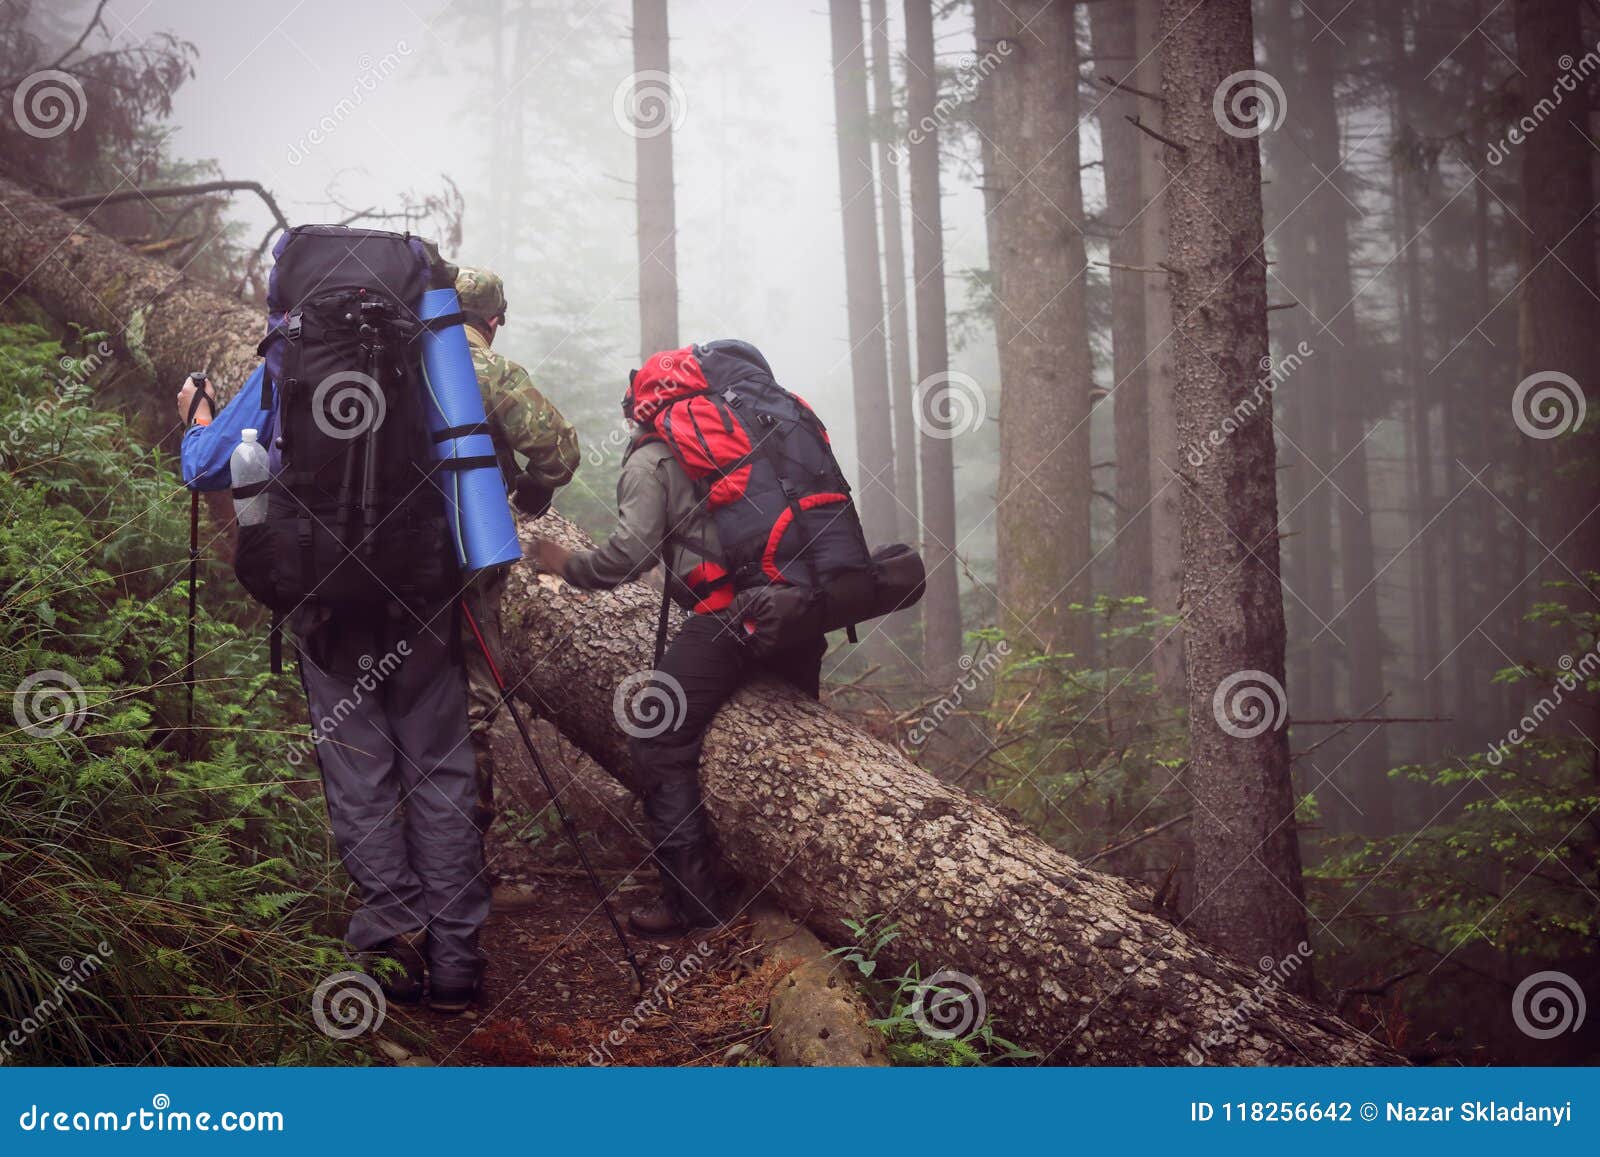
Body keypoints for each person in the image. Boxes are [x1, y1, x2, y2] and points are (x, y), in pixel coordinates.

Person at [176, 365, 488, 1013]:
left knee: (358, 770)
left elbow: (205, 466)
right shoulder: (431, 356)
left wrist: (198, 417)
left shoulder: (287, 360)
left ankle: (396, 938)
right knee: (441, 771)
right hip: (424, 589)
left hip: (326, 597)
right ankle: (458, 964)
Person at [529, 381, 828, 938]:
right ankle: (785, 884)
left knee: (657, 733)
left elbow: (630, 555)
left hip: (732, 614)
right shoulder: (757, 438)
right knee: (791, 753)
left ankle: (694, 904)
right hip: (801, 612)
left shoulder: (653, 459)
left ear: (636, 413)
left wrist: (564, 563)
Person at [452, 267, 580, 910]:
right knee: (472, 700)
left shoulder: (382, 362)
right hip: (466, 558)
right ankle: (465, 873)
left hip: (377, 563)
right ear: (493, 319)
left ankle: (396, 870)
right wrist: (538, 485)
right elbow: (558, 448)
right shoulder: (481, 369)